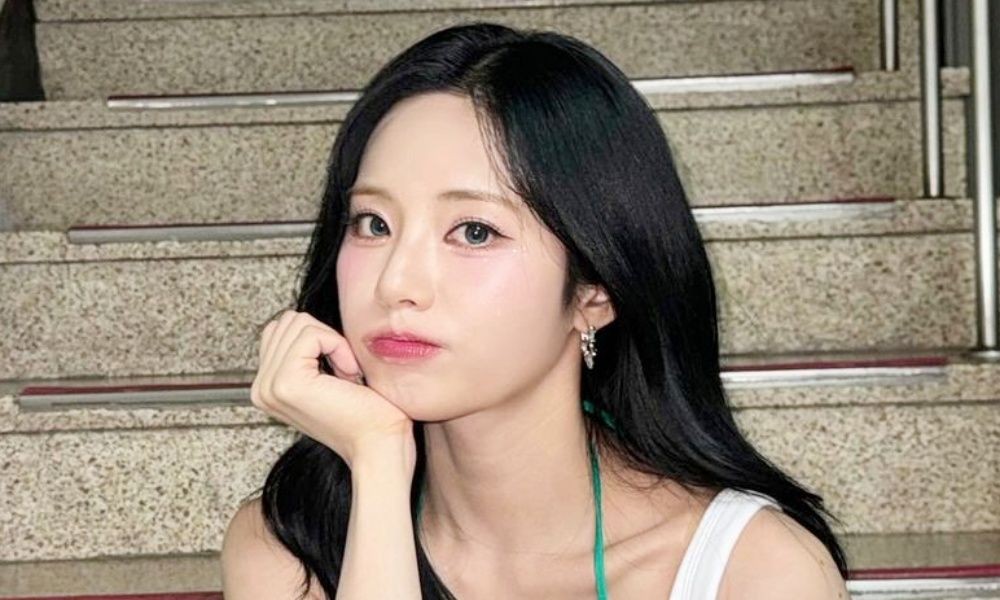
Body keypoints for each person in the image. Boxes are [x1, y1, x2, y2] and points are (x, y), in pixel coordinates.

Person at [221, 22, 851, 599]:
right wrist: (378, 460)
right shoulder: (288, 551)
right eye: (373, 223)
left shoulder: (754, 570)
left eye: (474, 231)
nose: (396, 283)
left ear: (594, 291)